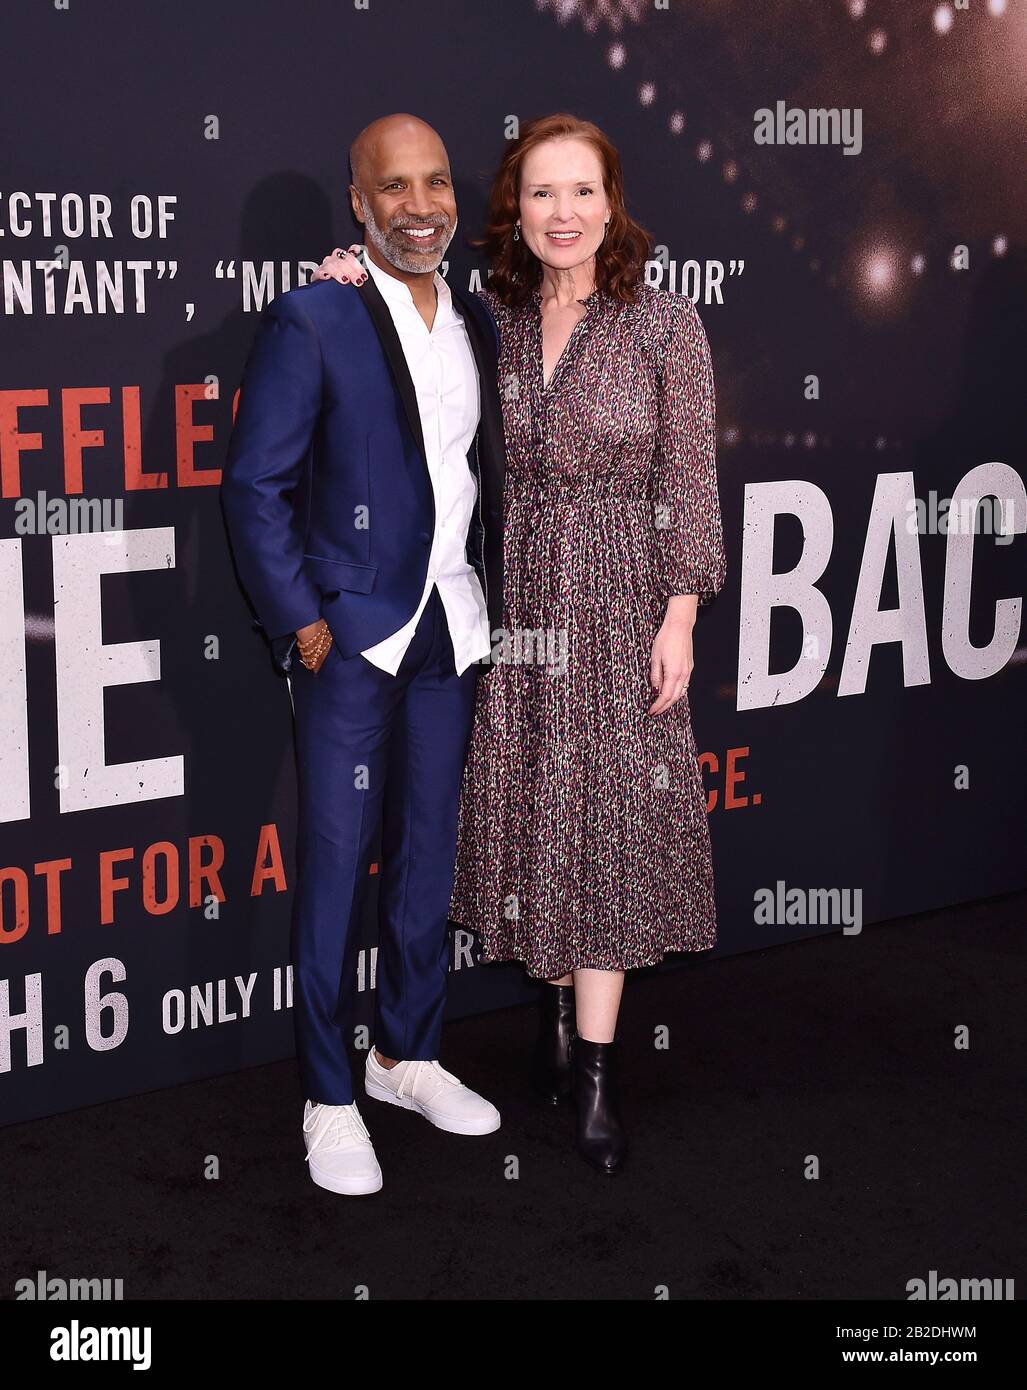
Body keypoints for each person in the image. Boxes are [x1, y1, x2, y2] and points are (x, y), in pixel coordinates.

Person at [314, 112, 727, 1176]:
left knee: (607, 826)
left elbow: (687, 478)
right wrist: (344, 284)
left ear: (612, 202)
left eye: (582, 192)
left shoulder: (663, 324)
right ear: (515, 207)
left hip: (623, 605)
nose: (563, 214)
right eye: (541, 194)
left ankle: (595, 1067)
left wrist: (678, 613)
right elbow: (402, 357)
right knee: (534, 809)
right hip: (512, 601)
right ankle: (547, 1022)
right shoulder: (483, 314)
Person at [220, 113, 507, 1196]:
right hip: (350, 637)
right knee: (335, 873)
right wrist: (303, 620)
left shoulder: (474, 318)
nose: (421, 204)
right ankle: (328, 1094)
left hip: (453, 623)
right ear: (359, 201)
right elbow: (255, 484)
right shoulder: (315, 315)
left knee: (426, 857)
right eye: (396, 186)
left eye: (436, 182)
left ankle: (406, 1055)